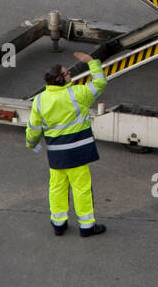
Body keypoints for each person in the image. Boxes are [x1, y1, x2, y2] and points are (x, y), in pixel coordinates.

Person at [25, 51, 109, 238]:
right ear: (59, 79)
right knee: (82, 189)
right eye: (67, 73)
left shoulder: (39, 100)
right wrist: (91, 62)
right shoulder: (78, 93)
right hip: (78, 152)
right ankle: (87, 226)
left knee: (57, 188)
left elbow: (33, 128)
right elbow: (100, 83)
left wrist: (31, 144)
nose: (70, 73)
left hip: (56, 154)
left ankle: (59, 224)